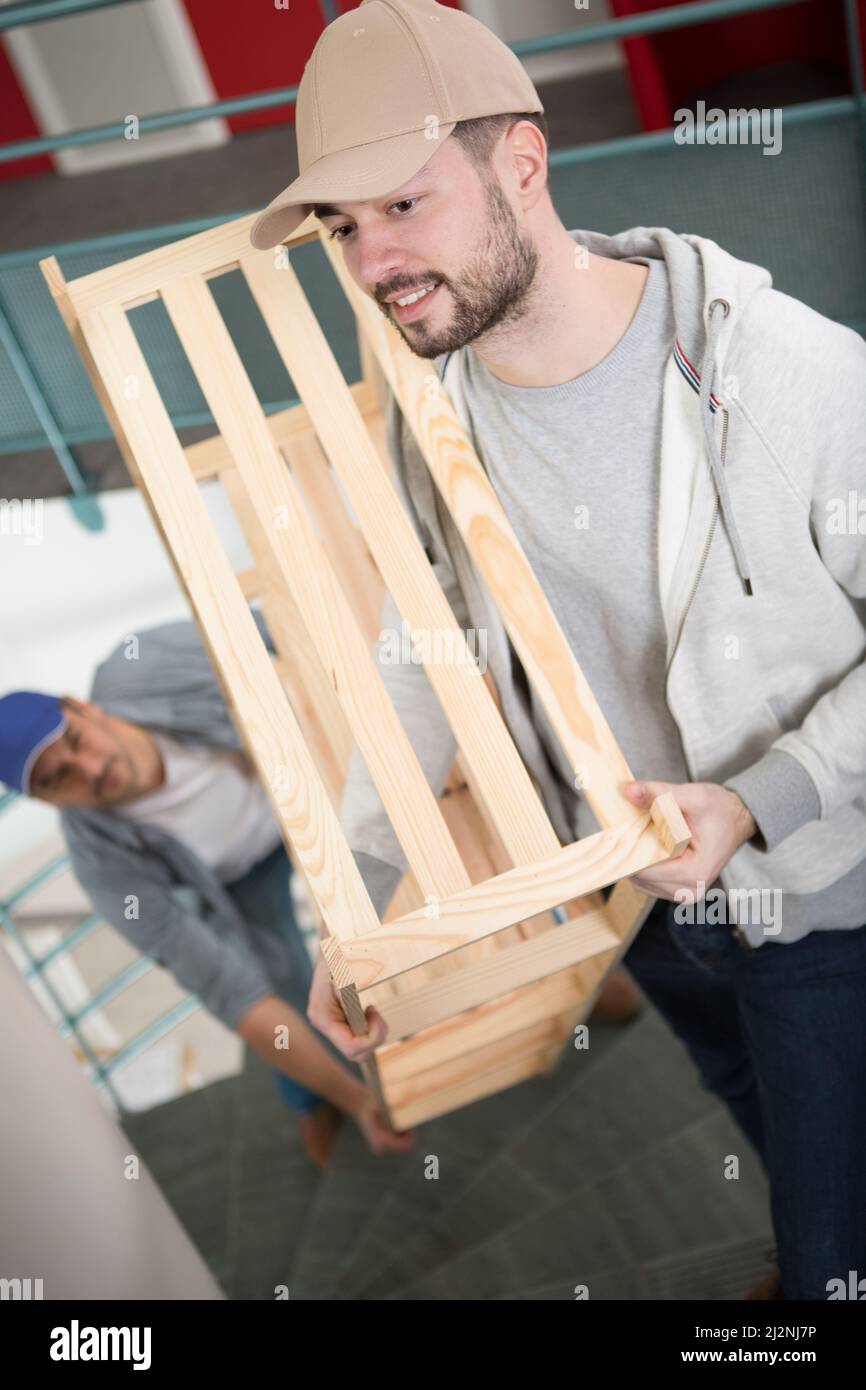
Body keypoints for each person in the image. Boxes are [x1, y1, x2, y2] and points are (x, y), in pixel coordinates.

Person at [249, 0, 866, 1299]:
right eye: (343, 227)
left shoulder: (794, 374)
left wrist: (757, 798)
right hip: (631, 899)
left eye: (402, 205)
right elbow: (427, 653)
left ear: (519, 163)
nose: (373, 262)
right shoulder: (436, 421)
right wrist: (361, 905)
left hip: (815, 893)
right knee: (744, 1099)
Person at [0, 613, 415, 1168]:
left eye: (76, 740)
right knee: (283, 989)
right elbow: (235, 996)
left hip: (308, 790)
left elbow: (278, 622)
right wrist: (361, 1102)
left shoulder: (145, 664)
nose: (93, 768)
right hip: (239, 877)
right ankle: (313, 1101)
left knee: (401, 870)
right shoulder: (102, 863)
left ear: (83, 707)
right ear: (48, 803)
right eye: (58, 779)